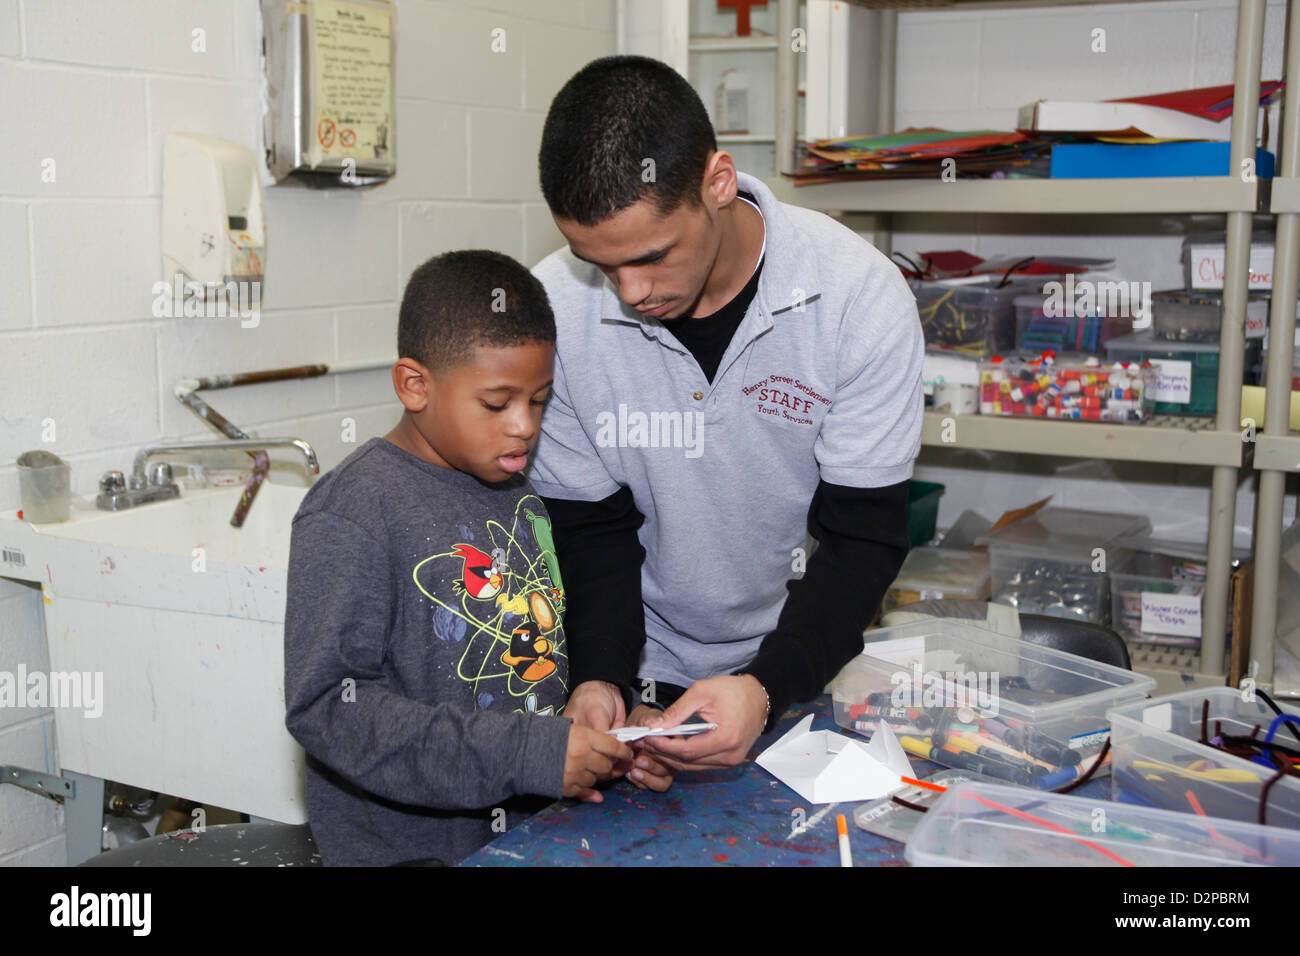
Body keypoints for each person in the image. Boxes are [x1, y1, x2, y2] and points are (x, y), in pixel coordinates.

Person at [528, 56, 924, 787]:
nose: (630, 292)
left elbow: (861, 538)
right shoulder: (555, 309)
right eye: (600, 264)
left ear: (717, 183)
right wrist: (600, 680)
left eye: (651, 257)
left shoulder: (855, 298)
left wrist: (767, 685)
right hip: (639, 677)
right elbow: (591, 534)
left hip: (801, 659)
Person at [283, 249, 632, 866]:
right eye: (497, 404)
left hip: (534, 837)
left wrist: (599, 732)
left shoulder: (516, 488)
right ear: (415, 386)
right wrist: (528, 753)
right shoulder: (355, 512)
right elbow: (329, 709)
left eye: (541, 399)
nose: (524, 426)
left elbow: (531, 648)